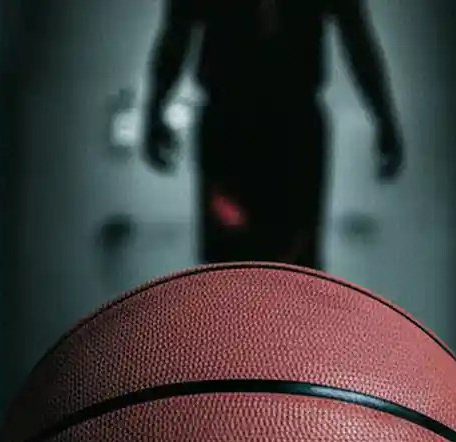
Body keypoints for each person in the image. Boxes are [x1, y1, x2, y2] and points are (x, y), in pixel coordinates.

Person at [143, 0, 404, 270]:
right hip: (282, 122)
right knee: (287, 254)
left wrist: (155, 108)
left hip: (238, 121)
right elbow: (355, 35)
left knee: (235, 253)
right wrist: (384, 117)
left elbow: (177, 32)